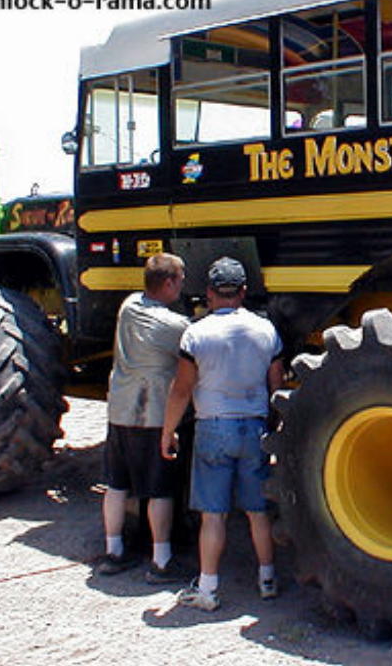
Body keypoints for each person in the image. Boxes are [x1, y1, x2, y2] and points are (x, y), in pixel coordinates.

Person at [161, 256, 284, 611]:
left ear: (210, 293)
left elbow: (182, 389)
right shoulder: (266, 330)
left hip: (213, 426)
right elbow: (276, 386)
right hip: (254, 426)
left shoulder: (196, 333)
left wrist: (168, 431)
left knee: (213, 515)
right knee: (258, 512)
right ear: (244, 292)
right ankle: (268, 580)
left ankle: (209, 590)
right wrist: (273, 428)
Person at [97, 253, 190, 583]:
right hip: (153, 413)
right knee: (160, 488)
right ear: (168, 283)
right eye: (179, 280)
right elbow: (197, 349)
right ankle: (161, 561)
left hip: (120, 409)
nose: (182, 286)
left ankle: (114, 551)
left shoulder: (129, 306)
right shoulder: (174, 326)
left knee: (117, 484)